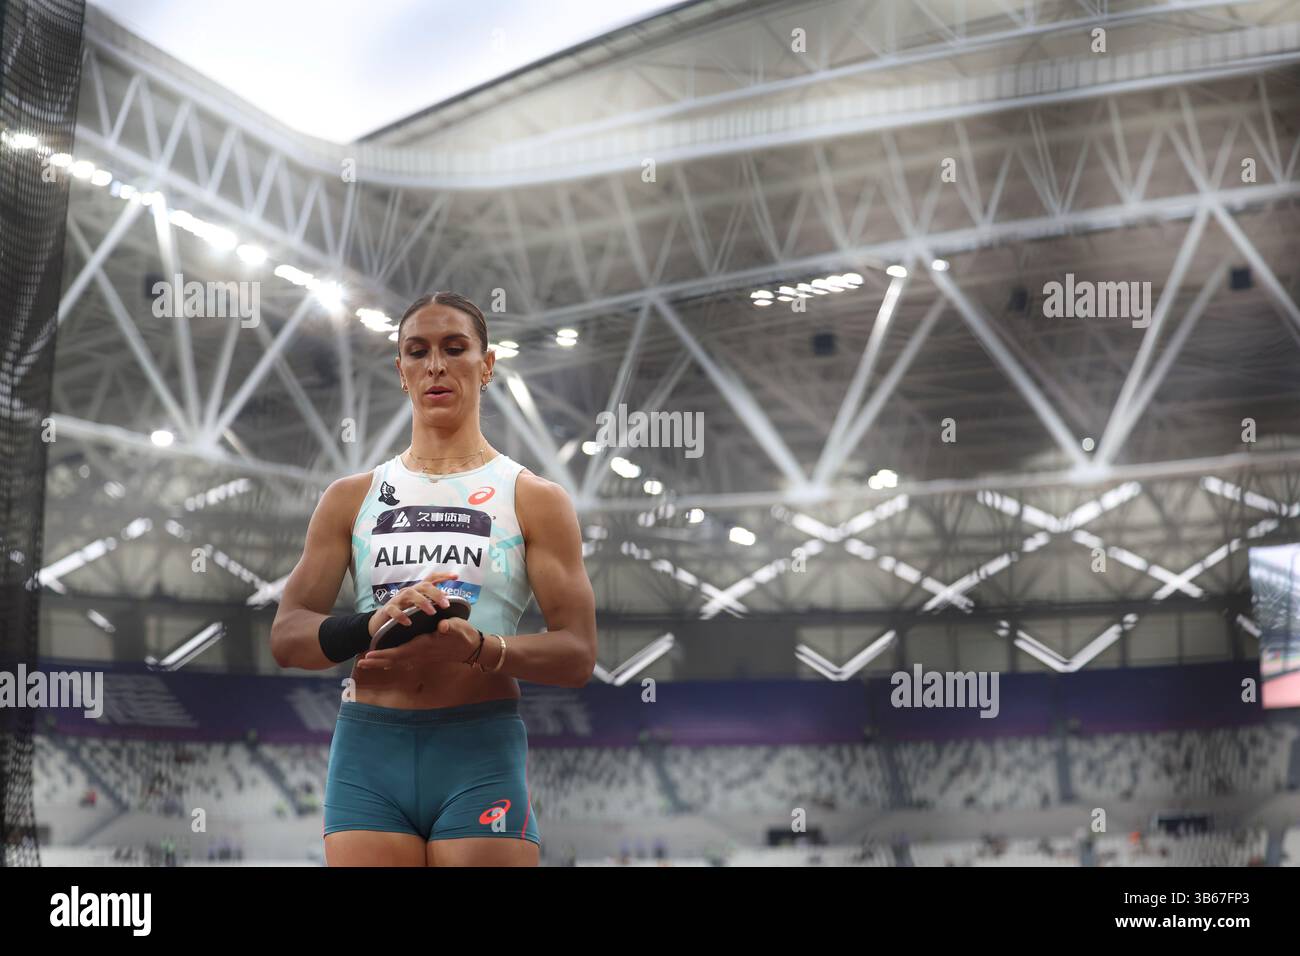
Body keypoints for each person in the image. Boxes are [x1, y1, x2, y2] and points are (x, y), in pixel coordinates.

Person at [271, 291, 596, 866]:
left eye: (455, 348)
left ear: (487, 364)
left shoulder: (534, 499)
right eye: (417, 352)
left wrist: (481, 647)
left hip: (477, 749)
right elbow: (288, 637)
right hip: (369, 750)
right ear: (401, 372)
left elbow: (577, 654)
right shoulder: (350, 498)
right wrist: (371, 622)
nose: (436, 365)